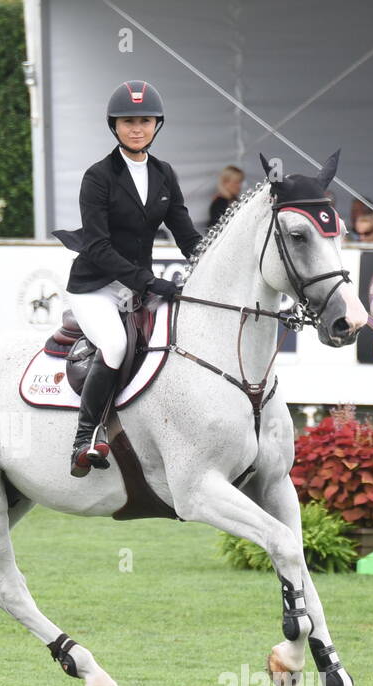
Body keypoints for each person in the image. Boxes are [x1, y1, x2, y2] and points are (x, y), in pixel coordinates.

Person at [58, 80, 202, 477]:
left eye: (144, 120)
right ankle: (85, 435)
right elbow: (99, 247)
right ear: (114, 126)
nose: (136, 128)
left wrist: (210, 262)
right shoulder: (98, 176)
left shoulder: (164, 174)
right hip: (95, 286)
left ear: (157, 124)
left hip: (135, 289)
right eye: (127, 121)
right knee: (117, 346)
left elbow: (186, 234)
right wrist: (149, 282)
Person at [207, 165, 244, 229]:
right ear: (225, 182)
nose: (239, 186)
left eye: (240, 182)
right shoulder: (219, 203)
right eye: (236, 182)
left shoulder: (233, 200)